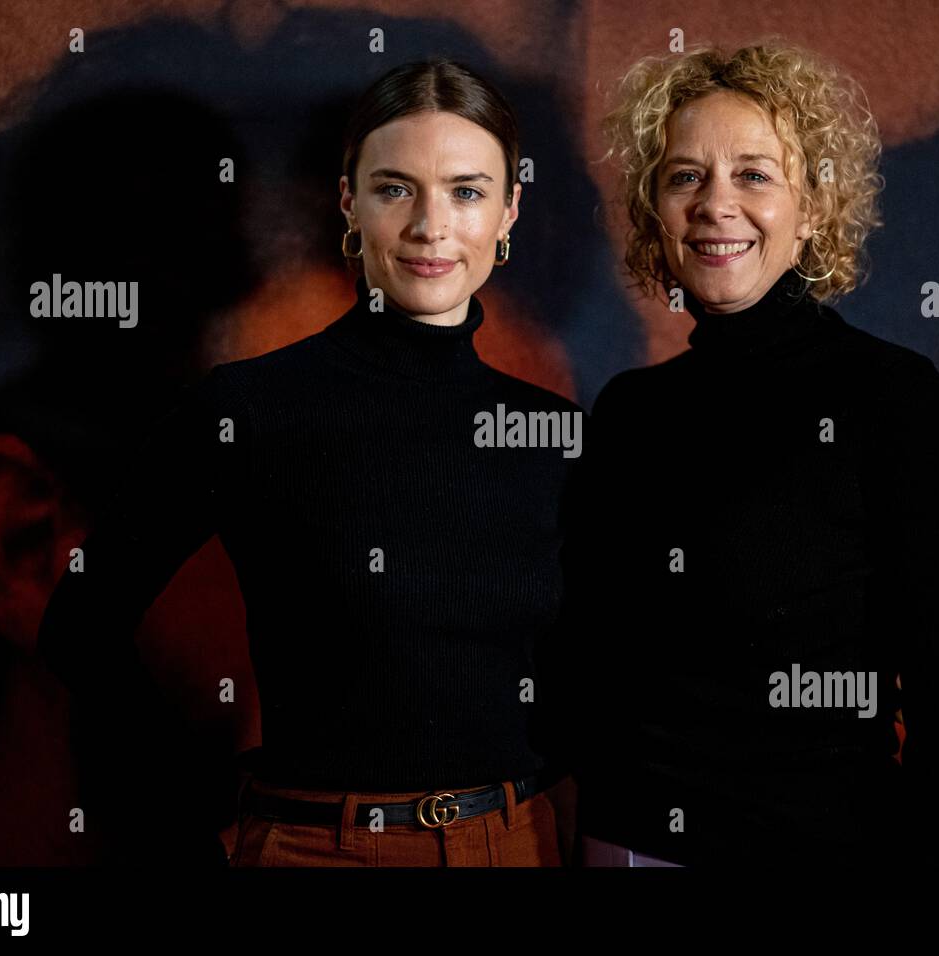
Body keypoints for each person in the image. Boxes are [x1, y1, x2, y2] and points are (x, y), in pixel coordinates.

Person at [36, 58, 583, 867]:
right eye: (395, 188)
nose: (432, 225)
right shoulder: (247, 409)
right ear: (349, 206)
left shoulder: (556, 433)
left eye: (466, 191)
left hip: (515, 845)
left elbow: (584, 689)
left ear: (507, 213)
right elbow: (80, 630)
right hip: (310, 848)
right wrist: (192, 829)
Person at [567, 41, 939, 867]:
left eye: (754, 174)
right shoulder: (628, 411)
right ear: (655, 208)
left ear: (815, 208)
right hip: (629, 847)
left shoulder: (894, 398)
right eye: (685, 176)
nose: (715, 204)